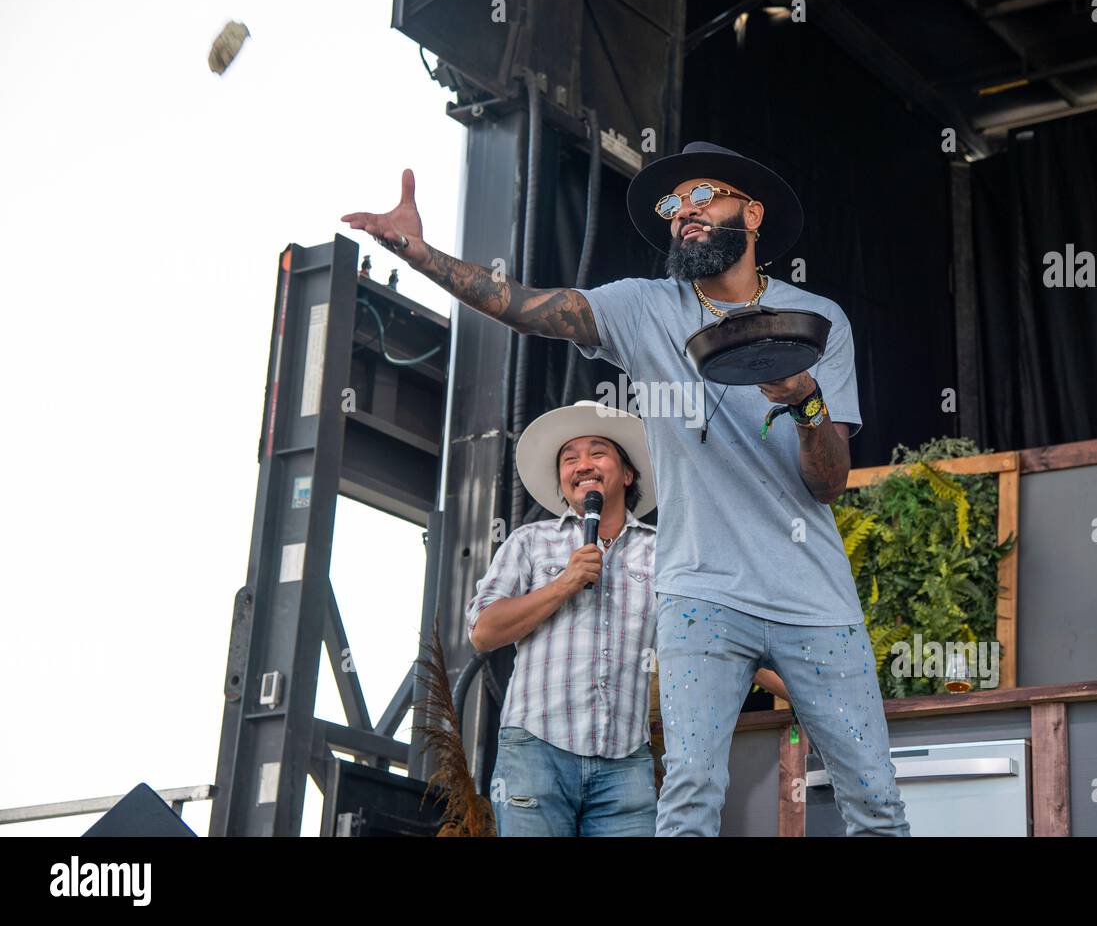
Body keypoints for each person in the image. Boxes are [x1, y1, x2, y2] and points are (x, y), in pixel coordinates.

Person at [341, 140, 909, 837]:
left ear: (752, 213)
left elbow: (827, 483)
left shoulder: (817, 322)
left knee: (875, 800)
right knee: (690, 797)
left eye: (704, 196)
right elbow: (526, 306)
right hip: (699, 594)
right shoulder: (643, 308)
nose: (683, 213)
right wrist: (422, 257)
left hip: (813, 596)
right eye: (673, 205)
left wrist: (805, 400)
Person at [468, 399, 787, 836]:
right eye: (569, 458)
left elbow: (718, 635)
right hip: (534, 752)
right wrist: (564, 583)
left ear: (628, 473)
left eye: (597, 452)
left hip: (625, 764)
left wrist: (804, 693)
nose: (582, 464)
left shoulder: (666, 552)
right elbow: (483, 631)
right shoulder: (529, 541)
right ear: (562, 482)